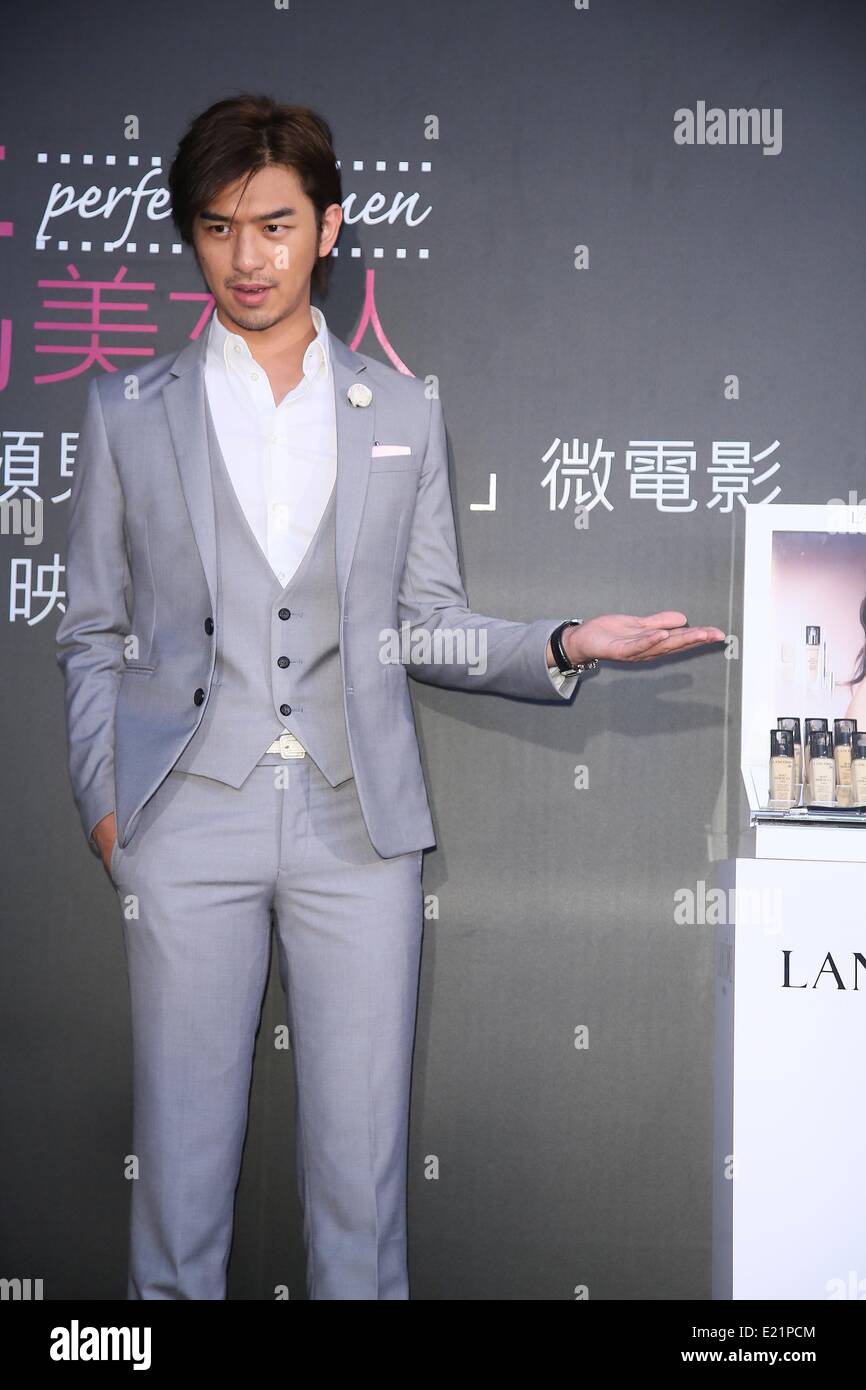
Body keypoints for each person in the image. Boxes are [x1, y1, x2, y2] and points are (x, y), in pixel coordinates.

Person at [55, 93, 724, 1301]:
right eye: (216, 228)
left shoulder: (400, 412)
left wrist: (565, 639)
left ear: (327, 226)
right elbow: (93, 629)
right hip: (182, 823)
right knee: (179, 1194)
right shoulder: (126, 410)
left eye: (272, 224)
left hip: (355, 829)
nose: (245, 257)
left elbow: (427, 620)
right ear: (191, 236)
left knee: (360, 1195)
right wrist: (114, 811)